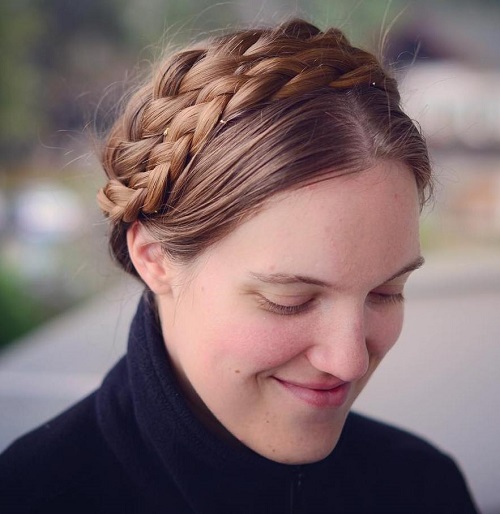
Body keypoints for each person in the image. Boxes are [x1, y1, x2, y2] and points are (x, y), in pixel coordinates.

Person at [0, 18, 478, 513]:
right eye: (289, 300)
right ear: (154, 258)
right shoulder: (29, 496)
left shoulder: (421, 488)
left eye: (387, 292)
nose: (349, 361)